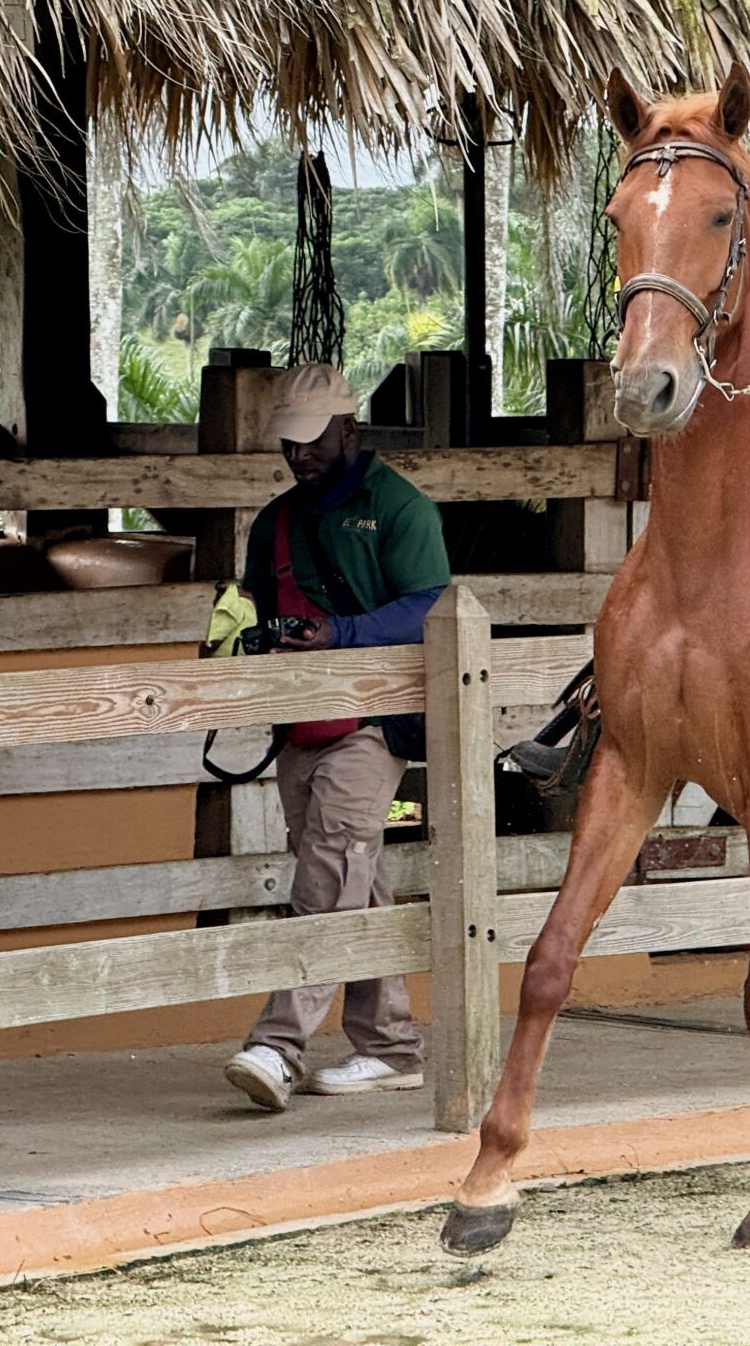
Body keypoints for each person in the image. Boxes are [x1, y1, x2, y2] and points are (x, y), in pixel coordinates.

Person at [223, 363, 451, 1111]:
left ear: (349, 429)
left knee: (324, 875)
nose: (299, 456)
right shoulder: (275, 521)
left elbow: (431, 605)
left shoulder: (401, 509)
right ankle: (389, 1046)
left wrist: (342, 633)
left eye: (312, 440)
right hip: (298, 723)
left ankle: (278, 1046)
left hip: (369, 723)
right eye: (288, 444)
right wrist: (240, 640)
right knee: (356, 876)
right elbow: (254, 605)